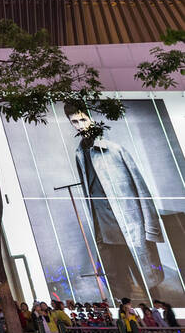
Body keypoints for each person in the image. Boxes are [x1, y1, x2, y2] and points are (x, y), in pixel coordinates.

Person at [64, 103, 169, 301]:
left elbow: (141, 189)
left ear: (92, 118)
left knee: (148, 281)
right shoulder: (80, 153)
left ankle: (160, 315)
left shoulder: (114, 150)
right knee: (119, 283)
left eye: (83, 119)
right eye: (75, 122)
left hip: (128, 226)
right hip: (105, 231)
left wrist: (151, 228)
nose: (80, 125)